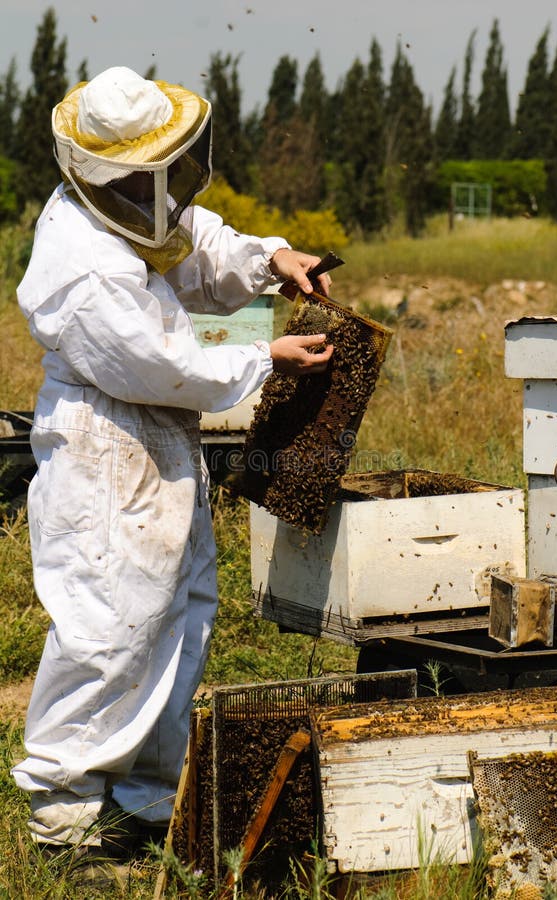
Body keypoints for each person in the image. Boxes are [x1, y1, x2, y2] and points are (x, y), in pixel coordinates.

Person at [12, 66, 333, 858]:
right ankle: (65, 814)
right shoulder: (82, 263)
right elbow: (165, 363)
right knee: (108, 626)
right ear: (112, 174)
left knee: (178, 610)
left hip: (154, 438)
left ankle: (145, 796)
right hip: (104, 445)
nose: (173, 187)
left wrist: (274, 258)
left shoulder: (131, 204)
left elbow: (195, 242)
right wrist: (266, 358)